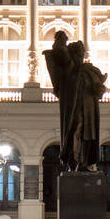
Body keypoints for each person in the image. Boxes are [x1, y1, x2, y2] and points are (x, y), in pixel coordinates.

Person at [64, 40, 107, 170]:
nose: (78, 58)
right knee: (74, 133)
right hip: (74, 109)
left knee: (88, 136)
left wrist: (99, 88)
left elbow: (99, 91)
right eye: (75, 55)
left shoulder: (90, 71)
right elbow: (61, 91)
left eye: (80, 55)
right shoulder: (68, 72)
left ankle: (87, 163)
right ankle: (74, 162)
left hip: (89, 109)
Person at [44, 32, 77, 169]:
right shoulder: (62, 55)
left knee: (74, 130)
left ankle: (72, 159)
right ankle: (70, 158)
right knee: (71, 128)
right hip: (69, 95)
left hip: (72, 96)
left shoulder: (68, 58)